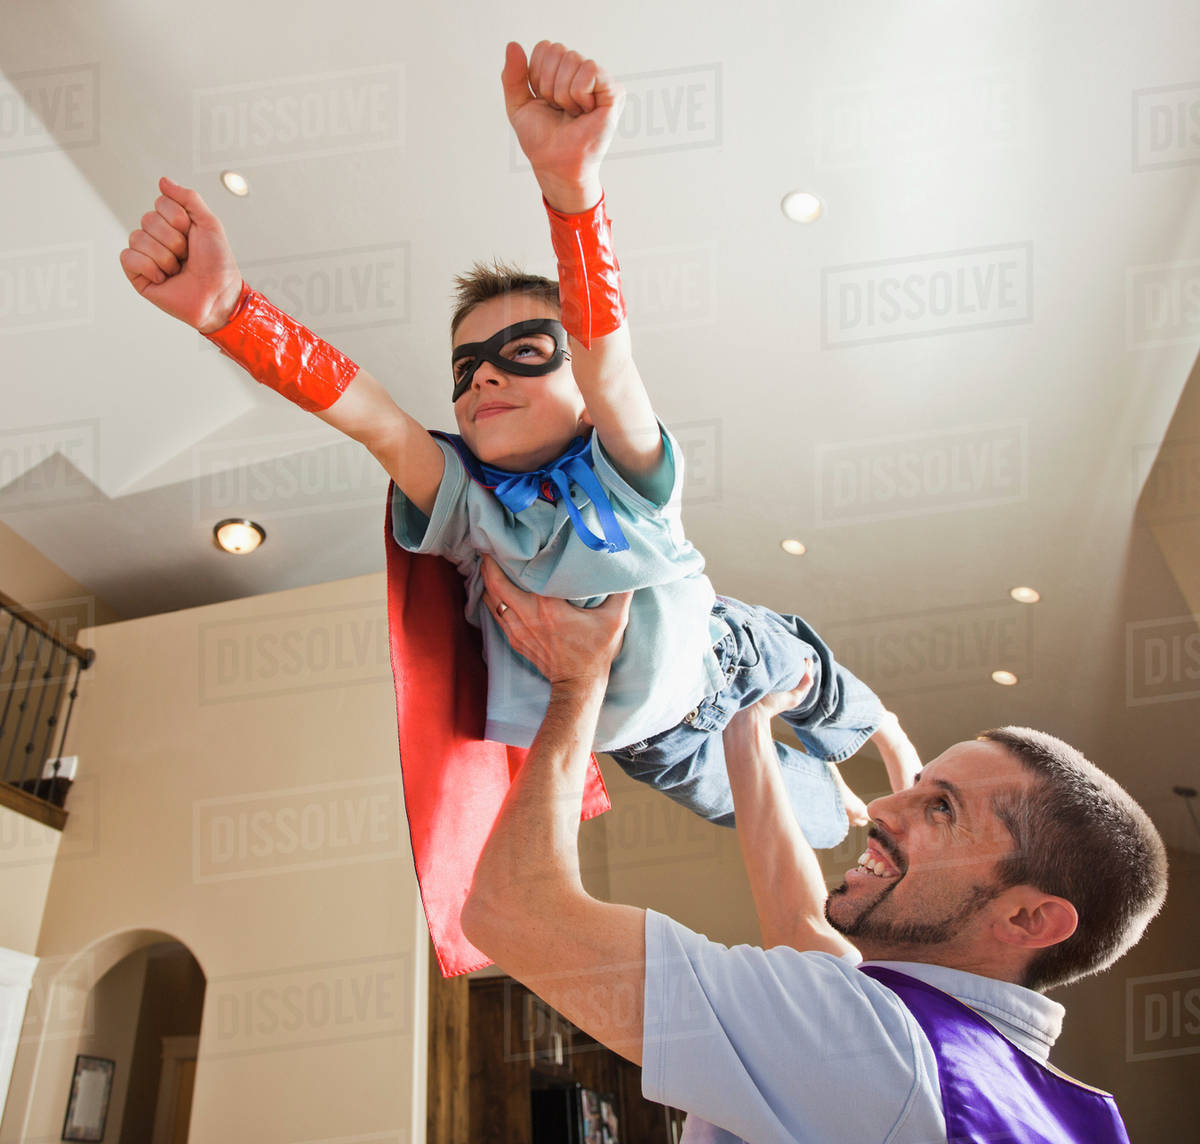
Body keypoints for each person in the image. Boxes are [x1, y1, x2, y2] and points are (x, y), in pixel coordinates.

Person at [118, 41, 919, 846]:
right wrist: (233, 314)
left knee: (811, 675)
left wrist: (572, 192)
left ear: (579, 395)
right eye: (466, 372)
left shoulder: (629, 475)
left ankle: (895, 750)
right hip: (654, 736)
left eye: (526, 353)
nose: (484, 382)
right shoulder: (468, 513)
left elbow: (606, 351)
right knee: (794, 817)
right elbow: (375, 419)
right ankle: (852, 806)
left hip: (724, 649)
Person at [461, 556, 1168, 1143]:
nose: (884, 809)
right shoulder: (989, 1070)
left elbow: (514, 911)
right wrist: (747, 727)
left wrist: (577, 683)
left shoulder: (889, 1059)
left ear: (1027, 920)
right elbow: (802, 928)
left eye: (942, 810)